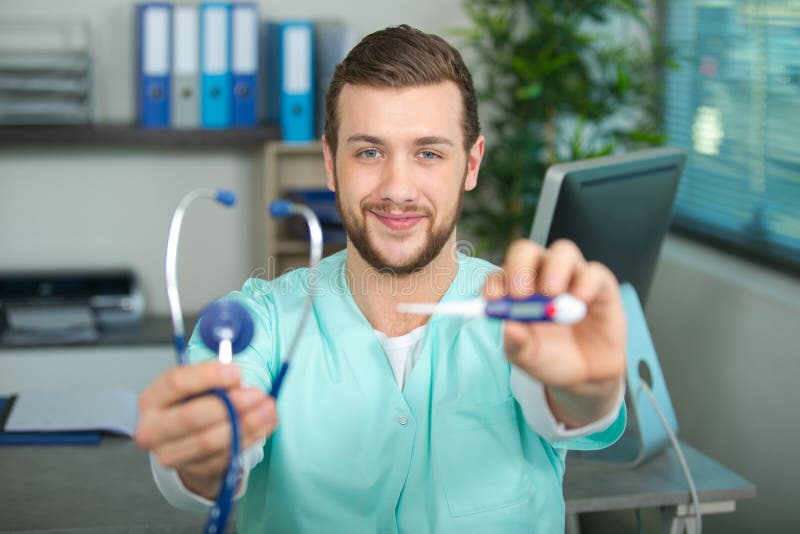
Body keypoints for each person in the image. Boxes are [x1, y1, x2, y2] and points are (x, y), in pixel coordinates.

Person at [135, 25, 627, 533]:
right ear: (331, 164)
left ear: (471, 164)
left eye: (429, 154)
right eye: (369, 152)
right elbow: (203, 464)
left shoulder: (522, 317)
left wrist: (588, 389)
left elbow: (573, 403)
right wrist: (202, 454)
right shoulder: (259, 324)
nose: (397, 189)